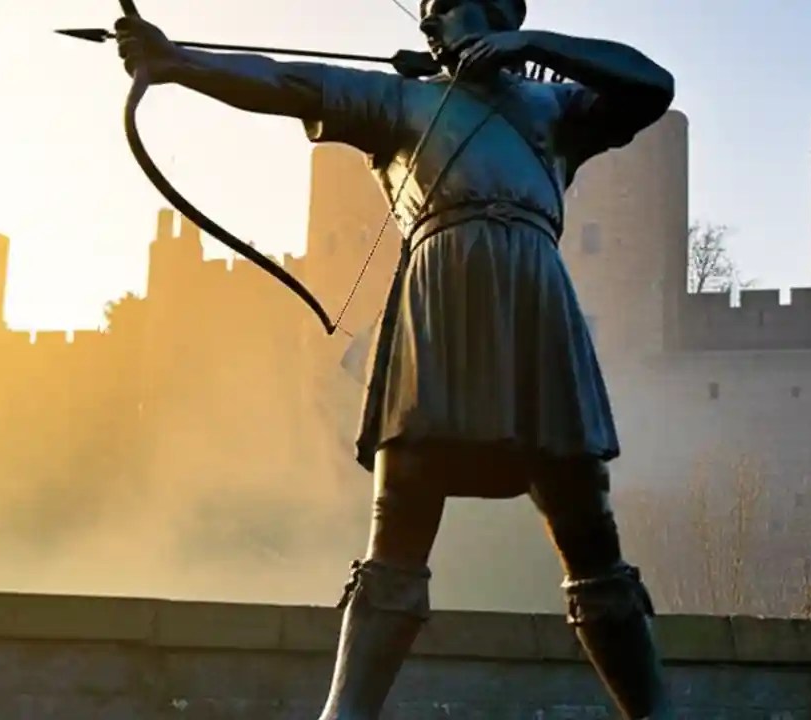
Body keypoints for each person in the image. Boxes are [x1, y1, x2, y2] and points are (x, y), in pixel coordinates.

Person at [116, 1, 677, 717]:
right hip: (436, 296)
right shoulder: (400, 101)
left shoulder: (556, 109)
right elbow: (288, 82)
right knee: (402, 505)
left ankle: (652, 711)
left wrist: (529, 44)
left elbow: (652, 86)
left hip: (534, 299)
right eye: (432, 16)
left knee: (584, 516)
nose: (437, 25)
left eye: (454, 7)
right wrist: (177, 63)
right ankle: (345, 713)